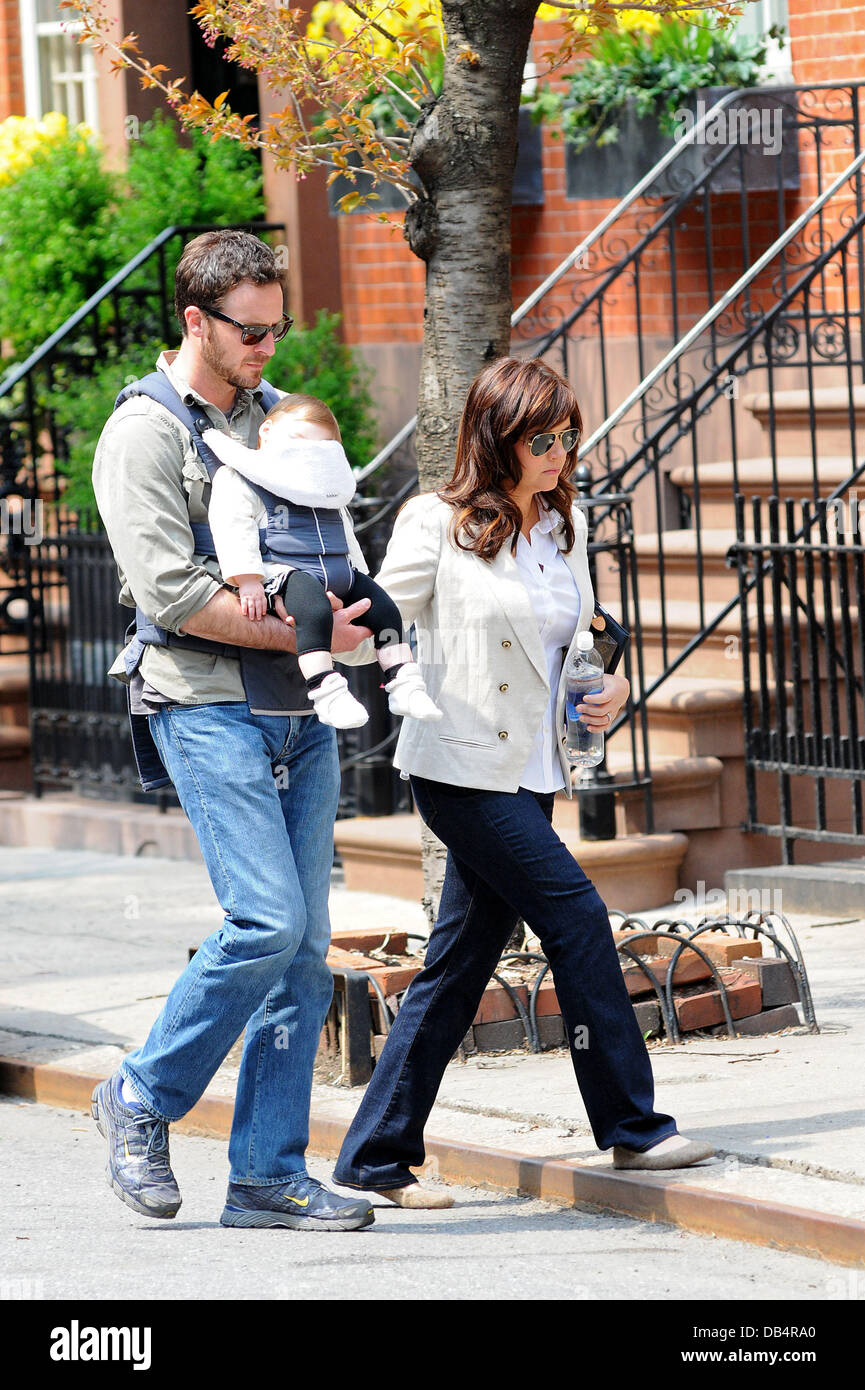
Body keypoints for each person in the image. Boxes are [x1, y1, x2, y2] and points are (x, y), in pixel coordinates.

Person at [333, 356, 715, 1208]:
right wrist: (333, 621)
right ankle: (632, 1130)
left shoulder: (560, 528)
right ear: (497, 435)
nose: (560, 452)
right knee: (578, 916)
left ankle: (375, 1156)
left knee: (458, 963)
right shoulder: (436, 523)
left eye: (569, 436)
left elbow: (575, 647)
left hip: (534, 769)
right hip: (461, 767)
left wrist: (611, 687)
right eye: (543, 437)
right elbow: (374, 628)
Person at [90, 228, 376, 1232]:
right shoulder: (145, 434)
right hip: (204, 704)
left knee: (301, 954)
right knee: (266, 922)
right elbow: (171, 594)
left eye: (275, 330)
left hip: (297, 708)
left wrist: (344, 618)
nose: (265, 350)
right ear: (195, 320)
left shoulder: (272, 422)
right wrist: (305, 626)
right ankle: (140, 1092)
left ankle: (264, 1174)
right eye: (248, 334)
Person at [203, 391, 442, 729]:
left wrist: (359, 575)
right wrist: (248, 580)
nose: (308, 454)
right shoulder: (242, 477)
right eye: (300, 440)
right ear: (268, 432)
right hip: (286, 571)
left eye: (320, 448)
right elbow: (232, 526)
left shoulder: (322, 490)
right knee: (313, 612)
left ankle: (402, 678)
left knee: (387, 610)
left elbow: (344, 533)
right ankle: (326, 690)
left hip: (338, 570)